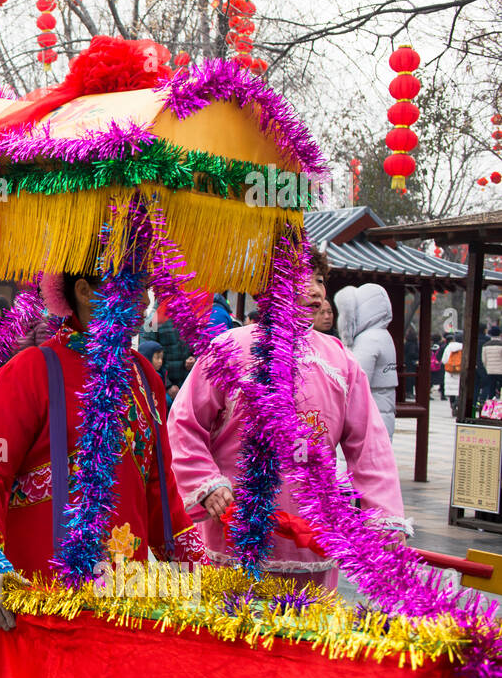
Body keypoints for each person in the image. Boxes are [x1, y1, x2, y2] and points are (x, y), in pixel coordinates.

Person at [0, 270, 201, 629]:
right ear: (84, 291)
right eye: (133, 288)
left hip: (125, 598)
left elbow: (159, 490)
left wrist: (198, 569)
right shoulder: (32, 369)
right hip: (41, 598)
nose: (145, 302)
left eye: (146, 289)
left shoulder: (146, 378)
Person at [168, 248, 409, 591]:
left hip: (313, 535)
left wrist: (384, 516)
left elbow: (369, 447)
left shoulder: (340, 361)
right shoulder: (229, 350)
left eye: (320, 280)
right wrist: (206, 484)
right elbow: (183, 423)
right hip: (234, 531)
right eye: (300, 278)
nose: (314, 290)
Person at [333, 283, 398, 438]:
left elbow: (356, 380)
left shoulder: (368, 340)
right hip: (383, 407)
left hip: (368, 413)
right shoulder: (383, 335)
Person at [479, 325, 502, 407]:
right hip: (500, 371)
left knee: (491, 390)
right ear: (500, 334)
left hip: (490, 371)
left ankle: (490, 408)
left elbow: (483, 360)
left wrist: (487, 367)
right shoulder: (501, 344)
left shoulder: (486, 345)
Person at [442, 331, 464, 412]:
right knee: (459, 389)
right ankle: (457, 403)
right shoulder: (464, 347)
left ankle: (452, 404)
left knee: (451, 390)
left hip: (450, 371)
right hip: (460, 371)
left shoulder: (449, 347)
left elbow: (444, 360)